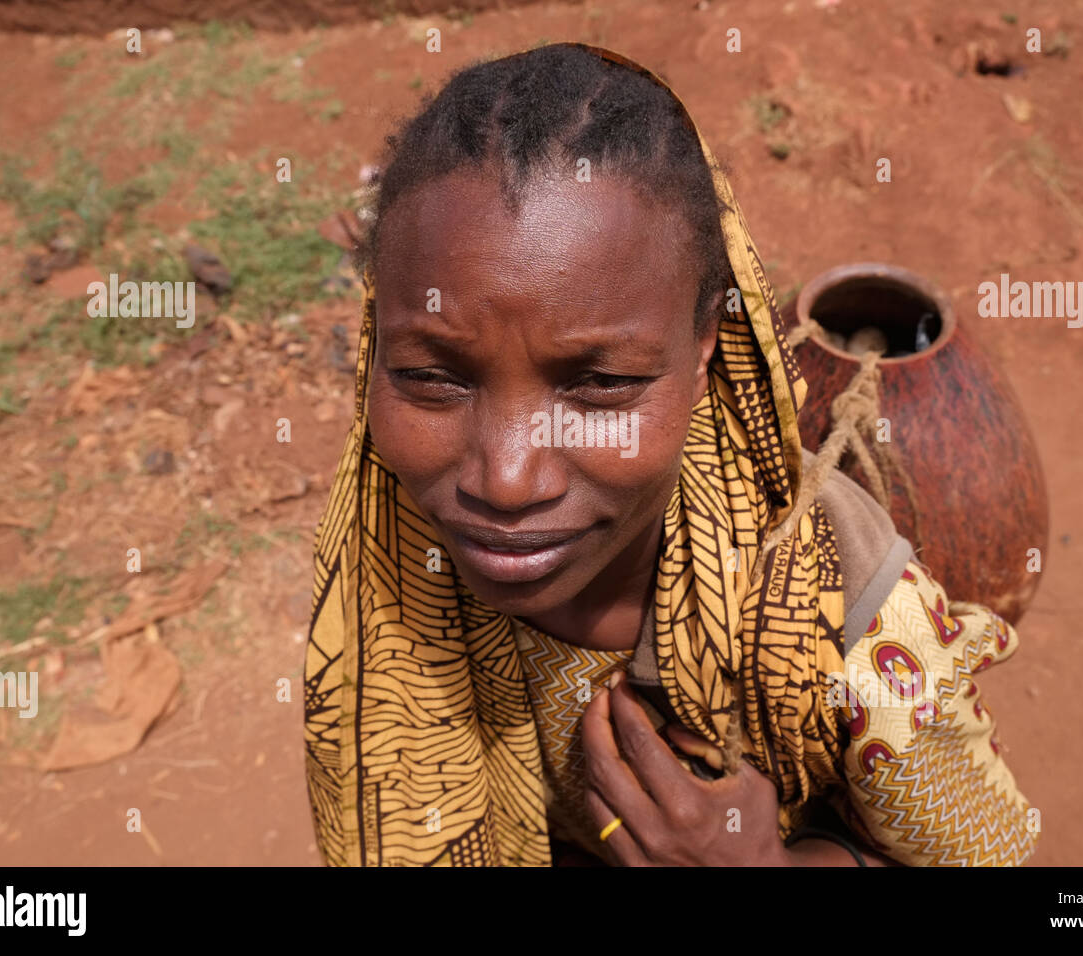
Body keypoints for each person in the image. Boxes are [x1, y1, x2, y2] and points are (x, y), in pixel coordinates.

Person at [303, 42, 1038, 867]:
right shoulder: (388, 557)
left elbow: (979, 855)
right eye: (431, 377)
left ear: (704, 351)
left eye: (601, 385)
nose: (506, 480)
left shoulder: (845, 617)